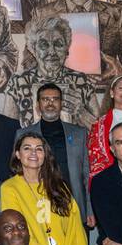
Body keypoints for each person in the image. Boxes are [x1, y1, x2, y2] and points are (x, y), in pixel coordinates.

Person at [6, 15, 103, 128]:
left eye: (58, 44)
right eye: (44, 45)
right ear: (33, 50)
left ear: (67, 49)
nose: (52, 51)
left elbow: (100, 131)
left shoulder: (81, 81)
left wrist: (81, 113)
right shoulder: (18, 82)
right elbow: (8, 130)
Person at [21, 83, 92, 225]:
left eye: (55, 99)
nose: (50, 103)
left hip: (74, 205)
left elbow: (87, 174)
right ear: (38, 105)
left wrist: (89, 209)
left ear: (61, 104)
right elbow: (18, 175)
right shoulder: (23, 135)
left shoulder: (79, 133)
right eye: (45, 99)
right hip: (39, 208)